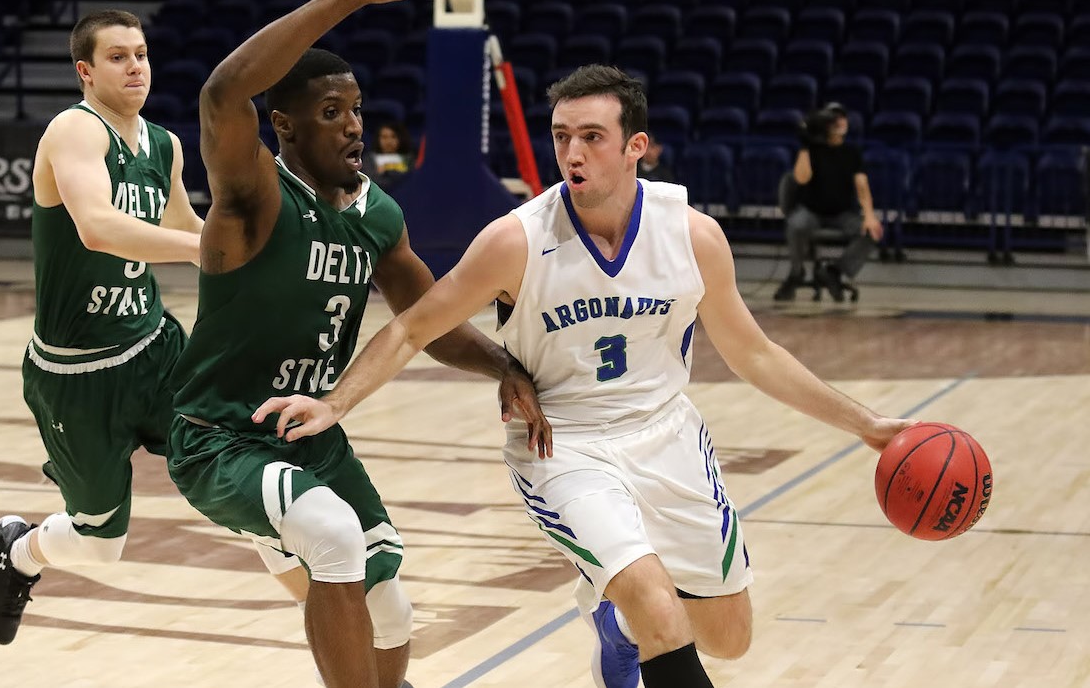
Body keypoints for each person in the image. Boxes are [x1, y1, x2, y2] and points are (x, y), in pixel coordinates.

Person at [257, 65, 913, 688]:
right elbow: (411, 327)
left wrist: (866, 424)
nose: (572, 153)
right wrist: (335, 403)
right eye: (562, 136)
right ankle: (632, 612)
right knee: (657, 604)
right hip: (563, 446)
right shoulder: (516, 240)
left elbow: (757, 354)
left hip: (667, 437)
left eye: (592, 137)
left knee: (727, 636)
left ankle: (616, 625)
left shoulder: (693, 236)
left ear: (635, 147)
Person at [164, 0, 548, 687]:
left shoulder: (378, 215)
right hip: (222, 437)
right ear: (285, 125)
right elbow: (222, 92)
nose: (353, 126)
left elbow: (428, 322)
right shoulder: (255, 196)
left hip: (309, 434)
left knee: (392, 614)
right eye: (331, 111)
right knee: (334, 538)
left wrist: (502, 366)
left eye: (357, 109)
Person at [0, 9, 207, 646]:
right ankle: (19, 551)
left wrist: (249, 257)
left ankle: (339, 604)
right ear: (86, 70)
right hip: (76, 372)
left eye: (141, 54)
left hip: (154, 347)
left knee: (231, 452)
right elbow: (98, 227)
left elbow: (186, 227)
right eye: (118, 57)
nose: (136, 67)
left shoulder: (165, 144)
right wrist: (204, 250)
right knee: (100, 544)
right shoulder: (74, 130)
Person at [773, 102, 884, 302]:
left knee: (872, 231)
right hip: (812, 211)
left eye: (842, 117)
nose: (839, 122)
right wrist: (805, 146)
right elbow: (801, 179)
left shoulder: (852, 153)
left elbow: (862, 185)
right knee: (796, 224)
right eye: (833, 119)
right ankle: (796, 272)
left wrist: (869, 215)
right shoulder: (813, 150)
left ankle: (835, 271)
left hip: (843, 214)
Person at [363, 120, 415, 190]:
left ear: (400, 138)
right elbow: (370, 181)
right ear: (378, 139)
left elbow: (411, 179)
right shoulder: (369, 158)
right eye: (384, 137)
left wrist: (386, 172)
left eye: (393, 137)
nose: (389, 141)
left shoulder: (409, 159)